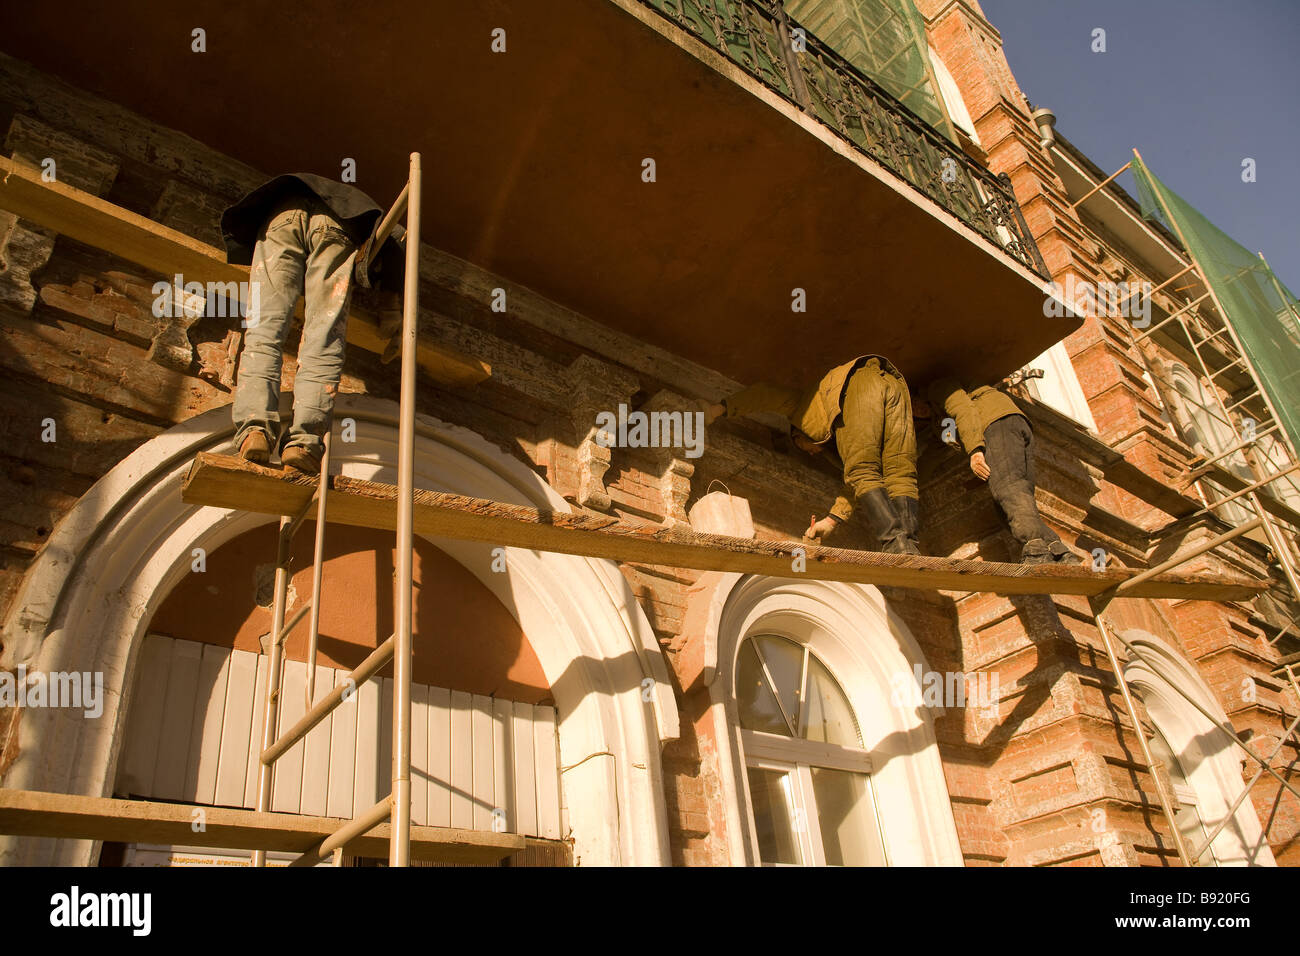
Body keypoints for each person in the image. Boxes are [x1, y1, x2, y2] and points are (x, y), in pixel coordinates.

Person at [221, 173, 405, 473]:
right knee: (323, 337)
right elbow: (398, 241)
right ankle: (303, 442)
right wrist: (392, 314)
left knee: (264, 330)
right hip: (336, 228)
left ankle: (255, 429)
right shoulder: (358, 206)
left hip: (280, 217)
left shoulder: (305, 188)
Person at [704, 356, 920, 554]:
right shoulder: (841, 436)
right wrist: (831, 521)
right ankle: (908, 546)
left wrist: (718, 409)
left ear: (797, 432)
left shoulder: (801, 408)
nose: (811, 452)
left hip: (859, 382)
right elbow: (853, 486)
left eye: (802, 446)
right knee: (900, 471)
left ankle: (894, 542)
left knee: (862, 470)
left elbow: (764, 395)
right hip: (894, 384)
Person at [925, 376, 1083, 565]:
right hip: (1010, 422)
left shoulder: (937, 385)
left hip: (994, 424)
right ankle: (1057, 550)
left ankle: (1036, 550)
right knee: (1007, 505)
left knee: (1009, 489)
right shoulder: (938, 415)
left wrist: (975, 451)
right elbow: (944, 439)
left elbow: (963, 410)